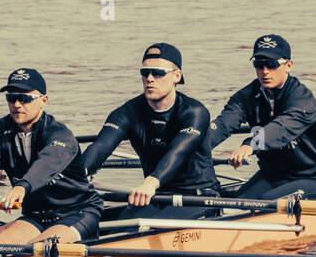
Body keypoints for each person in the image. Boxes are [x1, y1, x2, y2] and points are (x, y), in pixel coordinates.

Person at [81, 43, 221, 221]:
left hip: (197, 196)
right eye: (144, 72)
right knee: (120, 227)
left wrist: (151, 181)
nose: (150, 78)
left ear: (176, 76)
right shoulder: (128, 111)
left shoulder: (195, 112)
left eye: (158, 72)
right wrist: (76, 176)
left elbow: (178, 153)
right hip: (156, 195)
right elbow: (101, 146)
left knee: (140, 231)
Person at [0, 68, 103, 243]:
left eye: (25, 98)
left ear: (43, 101)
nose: (17, 104)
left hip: (77, 211)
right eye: (11, 98)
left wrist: (22, 187)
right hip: (36, 215)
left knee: (42, 249)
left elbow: (46, 164)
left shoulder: (60, 134)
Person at [209, 34, 316, 200]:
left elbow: (281, 128)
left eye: (272, 64)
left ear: (288, 65)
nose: (265, 71)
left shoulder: (303, 99)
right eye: (259, 64)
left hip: (309, 177)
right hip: (271, 175)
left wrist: (250, 144)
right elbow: (223, 124)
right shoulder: (246, 96)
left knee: (264, 204)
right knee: (236, 204)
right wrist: (192, 147)